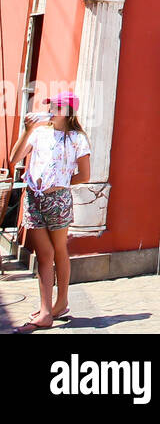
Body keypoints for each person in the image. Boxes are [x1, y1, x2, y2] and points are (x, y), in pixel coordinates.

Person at [7, 92, 90, 329]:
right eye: (51, 105)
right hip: (34, 199)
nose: (52, 109)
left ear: (69, 111)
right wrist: (26, 130)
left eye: (57, 106)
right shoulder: (39, 133)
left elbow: (84, 175)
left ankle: (61, 302)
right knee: (45, 254)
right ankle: (45, 311)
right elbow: (14, 159)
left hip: (58, 200)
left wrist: (61, 184)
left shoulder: (77, 139)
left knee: (60, 250)